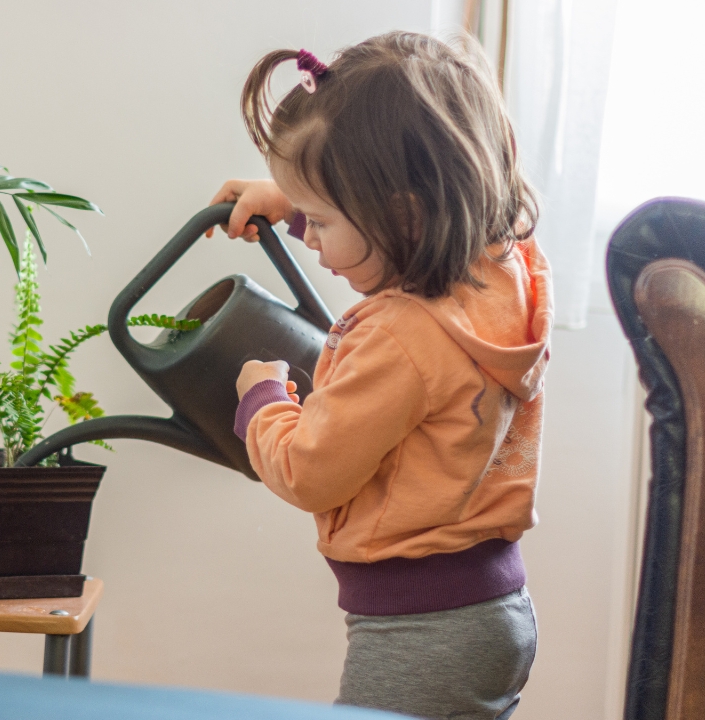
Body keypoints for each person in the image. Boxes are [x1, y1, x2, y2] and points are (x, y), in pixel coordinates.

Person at [214, 33, 552, 720]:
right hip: (488, 609)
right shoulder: (505, 269)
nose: (311, 239)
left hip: (421, 631)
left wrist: (263, 399)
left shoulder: (401, 338)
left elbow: (310, 471)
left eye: (326, 219)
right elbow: (460, 178)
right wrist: (298, 197)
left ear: (404, 212)